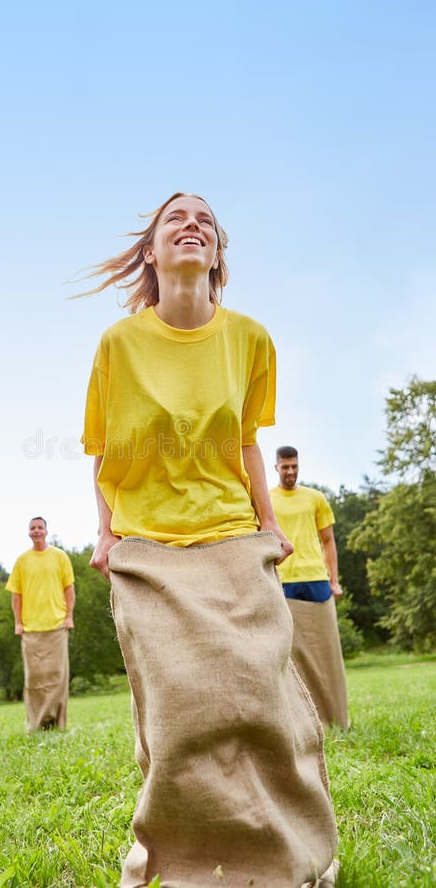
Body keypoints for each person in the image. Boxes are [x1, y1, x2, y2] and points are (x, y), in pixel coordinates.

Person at [81, 193, 338, 887]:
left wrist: (269, 522)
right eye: (177, 218)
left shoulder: (250, 339)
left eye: (206, 221)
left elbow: (246, 441)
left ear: (217, 253)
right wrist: (105, 532)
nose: (193, 225)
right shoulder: (119, 345)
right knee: (178, 707)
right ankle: (179, 858)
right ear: (151, 252)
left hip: (229, 532)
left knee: (257, 690)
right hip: (150, 543)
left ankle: (288, 847)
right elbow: (102, 451)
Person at [270, 446, 349, 730]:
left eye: (294, 466)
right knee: (289, 652)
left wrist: (334, 580)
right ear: (276, 467)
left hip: (315, 578)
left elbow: (328, 541)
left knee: (326, 648)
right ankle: (300, 721)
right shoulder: (266, 500)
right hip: (283, 580)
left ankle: (337, 717)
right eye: (285, 467)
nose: (290, 471)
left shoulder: (315, 498)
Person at [6, 516, 75, 731]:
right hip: (31, 628)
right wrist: (18, 622)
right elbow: (16, 595)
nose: (36, 531)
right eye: (32, 528)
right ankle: (36, 724)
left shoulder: (60, 556)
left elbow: (69, 589)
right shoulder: (22, 560)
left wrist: (69, 616)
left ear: (46, 531)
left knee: (58, 677)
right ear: (29, 533)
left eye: (40, 527)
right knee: (34, 679)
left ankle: (58, 724)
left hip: (57, 625)